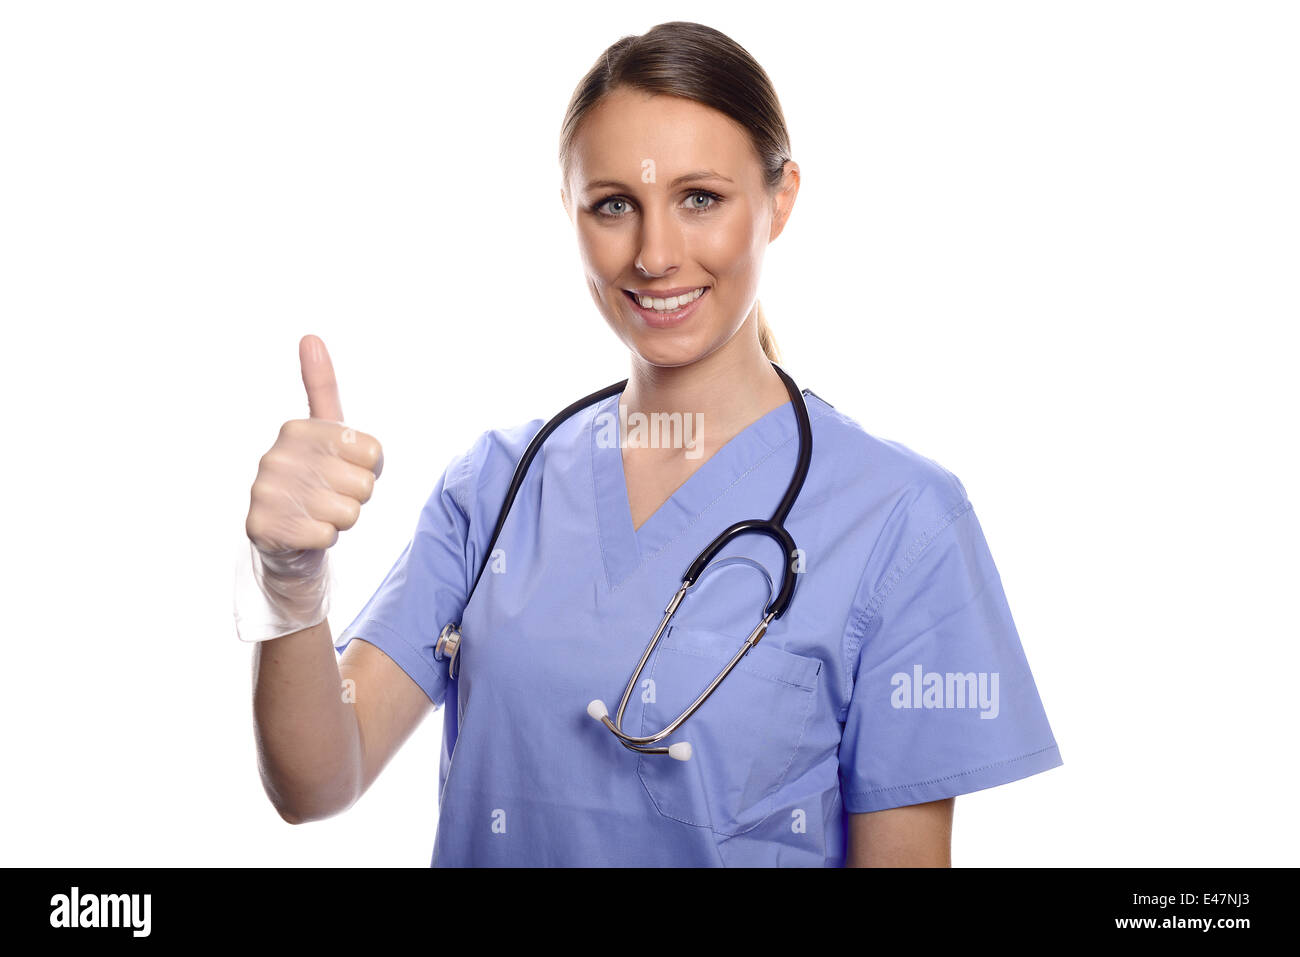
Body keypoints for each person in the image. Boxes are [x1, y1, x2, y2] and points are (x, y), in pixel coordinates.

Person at [239, 21, 1062, 867]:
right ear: (570, 212)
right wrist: (291, 585)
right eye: (614, 206)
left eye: (700, 197)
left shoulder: (900, 520)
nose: (656, 254)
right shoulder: (494, 489)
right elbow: (314, 781)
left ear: (781, 199)